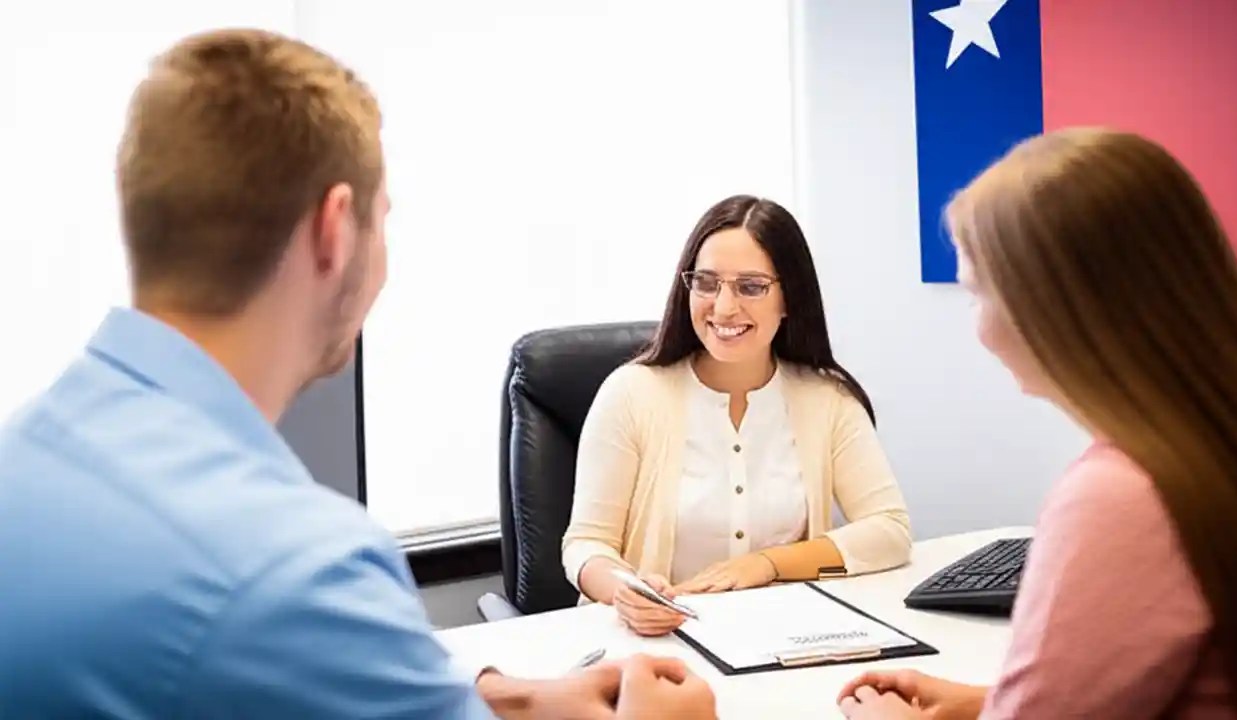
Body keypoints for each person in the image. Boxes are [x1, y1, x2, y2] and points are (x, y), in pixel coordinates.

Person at [0, 28, 715, 720]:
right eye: (382, 219)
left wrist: (506, 696)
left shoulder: (31, 457)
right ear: (334, 230)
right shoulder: (299, 570)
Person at [837, 128, 1237, 719]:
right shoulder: (1235, 441)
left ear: (1050, 305)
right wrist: (987, 704)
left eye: (977, 295)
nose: (979, 328)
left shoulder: (1123, 496)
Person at [562, 194, 913, 636]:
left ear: (789, 299)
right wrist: (626, 592)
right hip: (653, 646)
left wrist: (765, 565)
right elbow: (585, 544)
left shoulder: (826, 399)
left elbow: (890, 530)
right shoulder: (631, 394)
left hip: (781, 639)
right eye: (707, 283)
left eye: (750, 287)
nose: (724, 307)